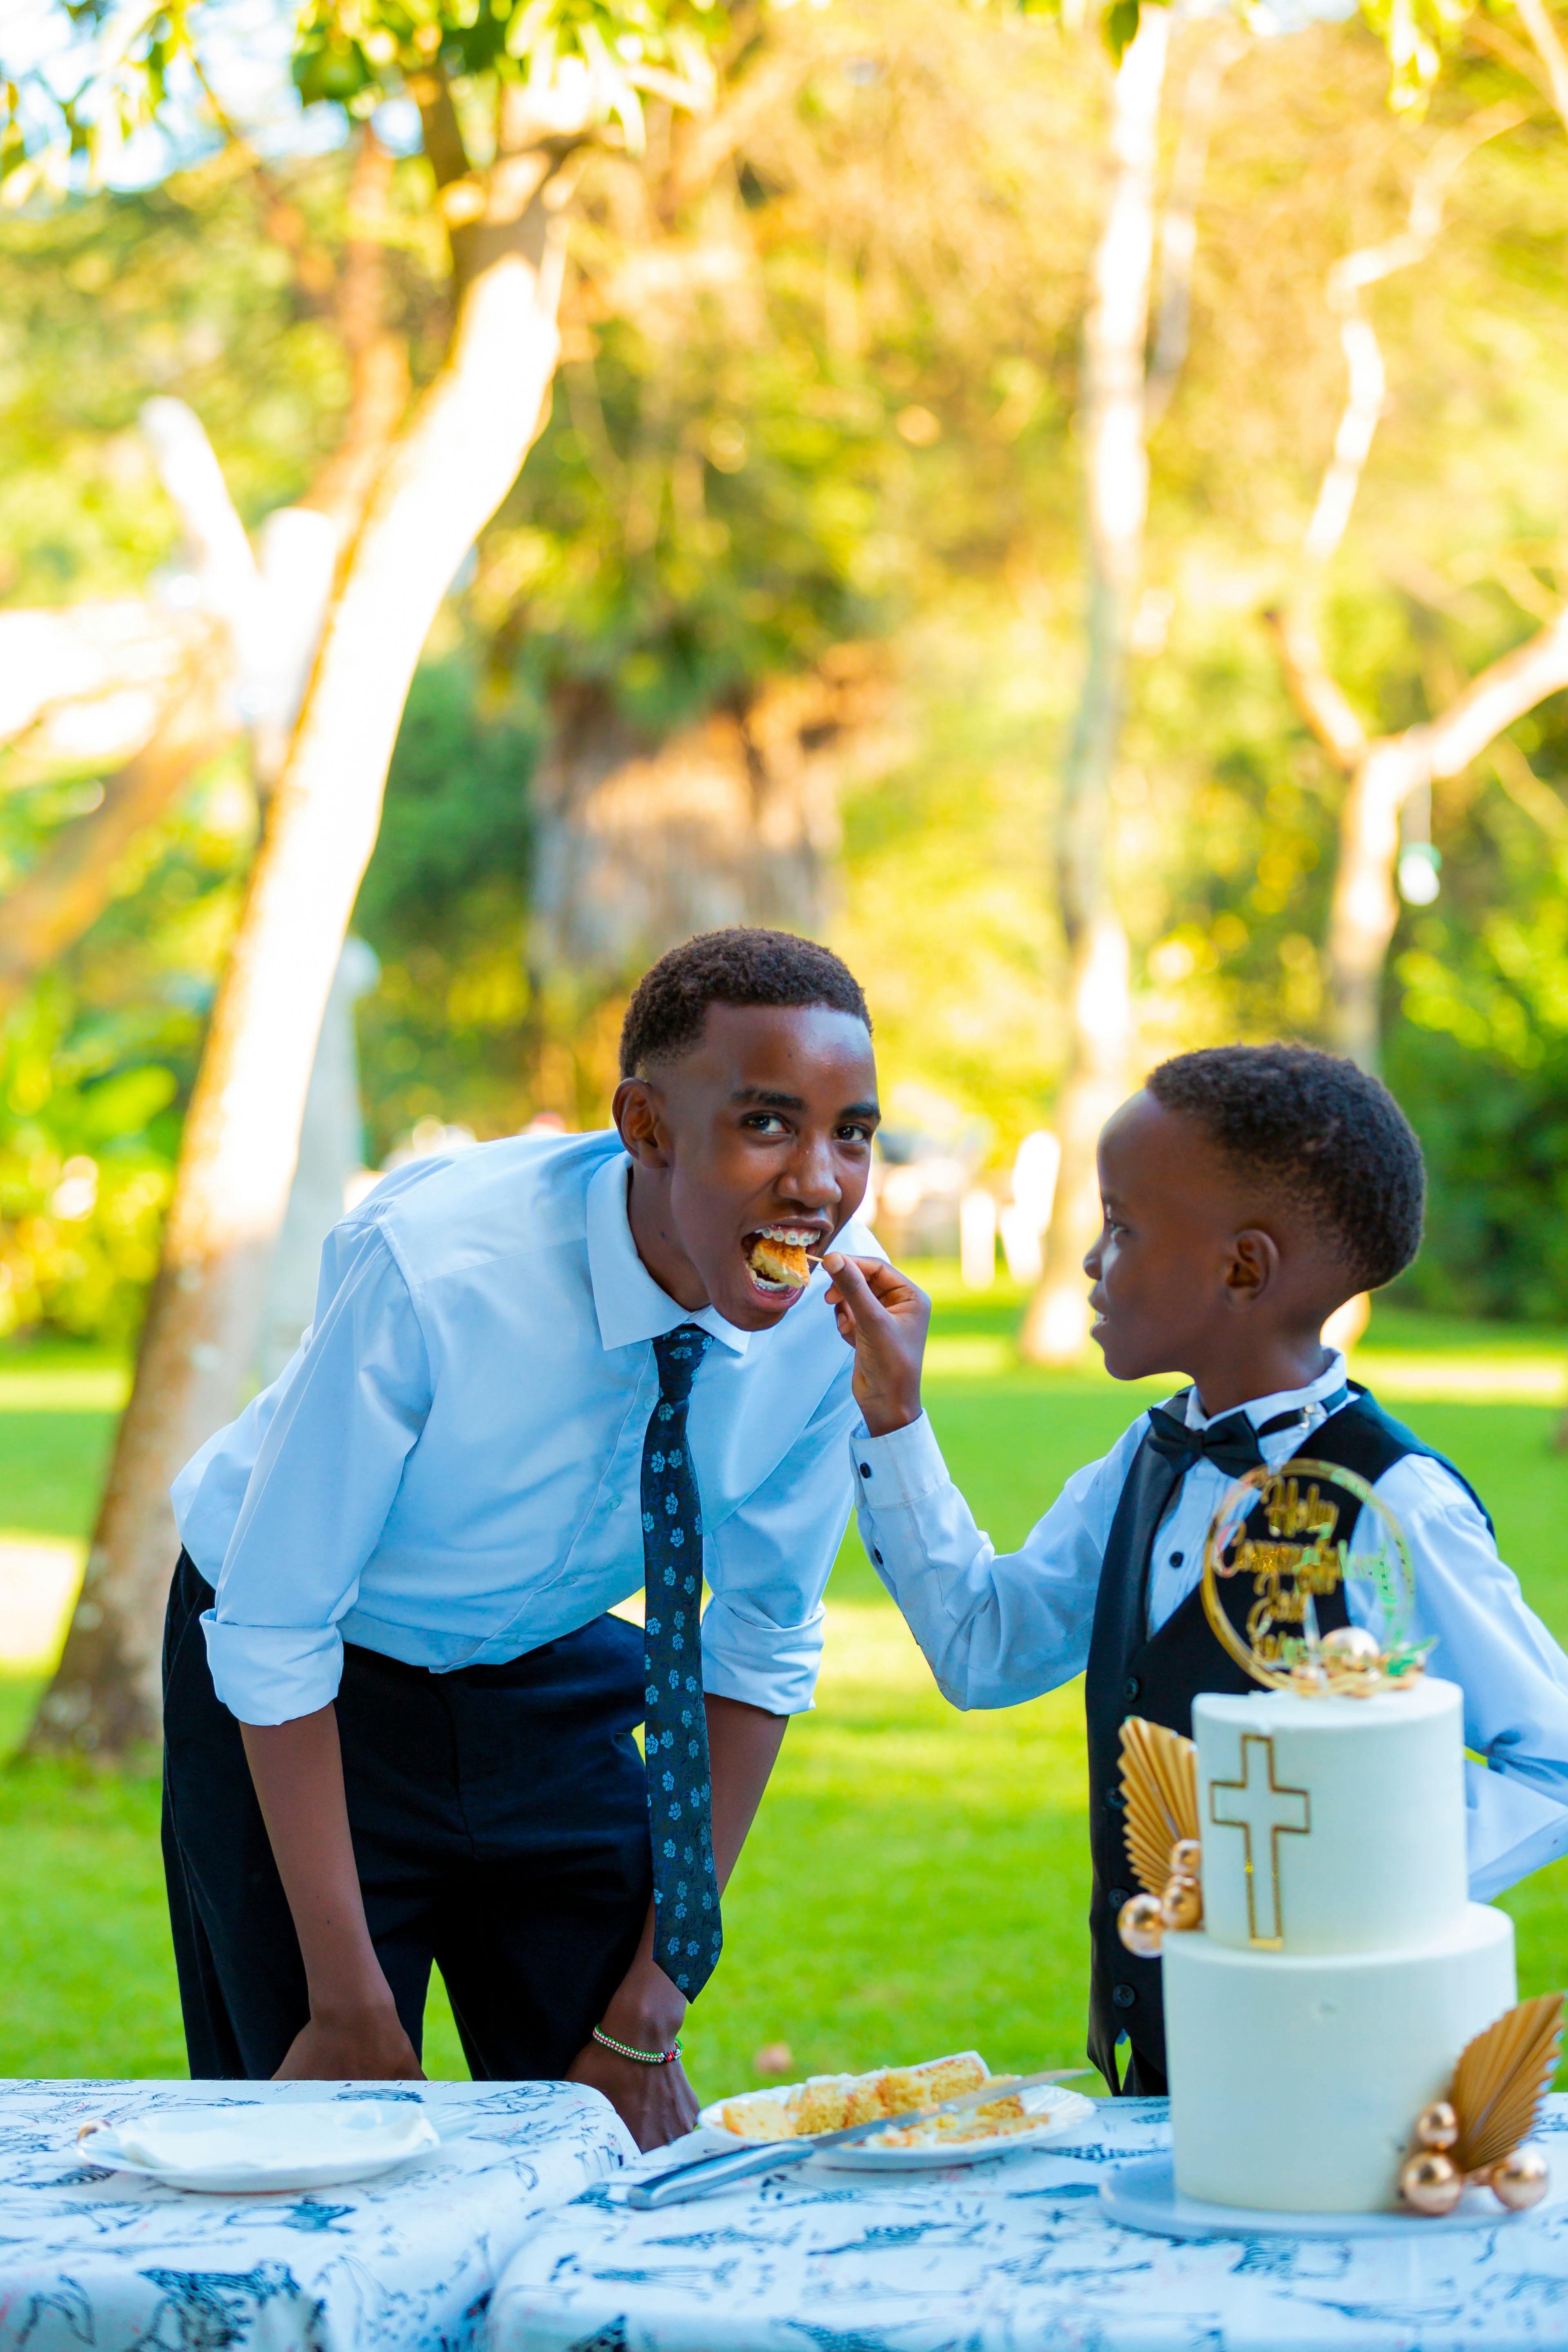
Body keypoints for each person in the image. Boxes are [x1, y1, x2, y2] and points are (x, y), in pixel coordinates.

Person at [163, 927, 882, 2149]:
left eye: (851, 1131)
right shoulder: (442, 1268)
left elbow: (759, 1642)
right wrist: (349, 2001)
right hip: (301, 1681)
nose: (818, 1182)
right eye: (766, 1125)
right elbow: (279, 1624)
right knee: (302, 2137)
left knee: (606, 2130)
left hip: (550, 1666)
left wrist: (650, 2007)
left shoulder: (835, 1318)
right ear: (646, 1124)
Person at [823, 1044, 1568, 2096]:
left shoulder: (1390, 1502)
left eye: (1122, 1228)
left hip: (1335, 2078)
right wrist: (894, 1416)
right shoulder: (1148, 1458)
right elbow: (984, 1651)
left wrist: (1346, 1878)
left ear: (1244, 1269)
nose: (1090, 1260)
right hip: (1159, 2069)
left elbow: (1553, 1761)